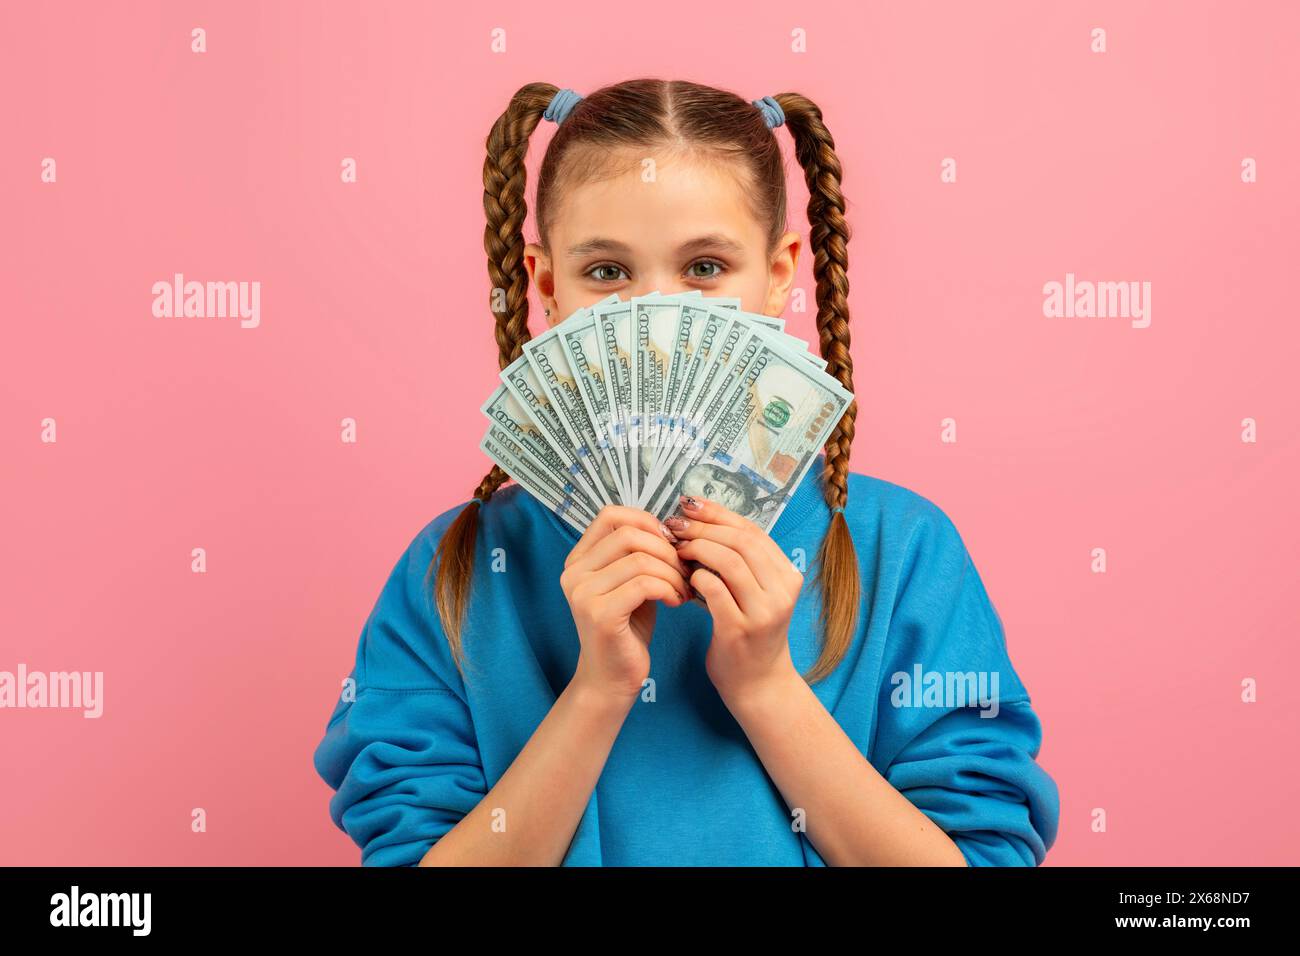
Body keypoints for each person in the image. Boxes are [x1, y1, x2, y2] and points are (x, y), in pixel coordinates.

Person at [312, 79, 1060, 866]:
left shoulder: (905, 553)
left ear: (779, 275)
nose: (656, 319)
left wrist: (767, 687)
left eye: (705, 266)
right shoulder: (457, 575)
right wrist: (597, 692)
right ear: (544, 286)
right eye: (607, 272)